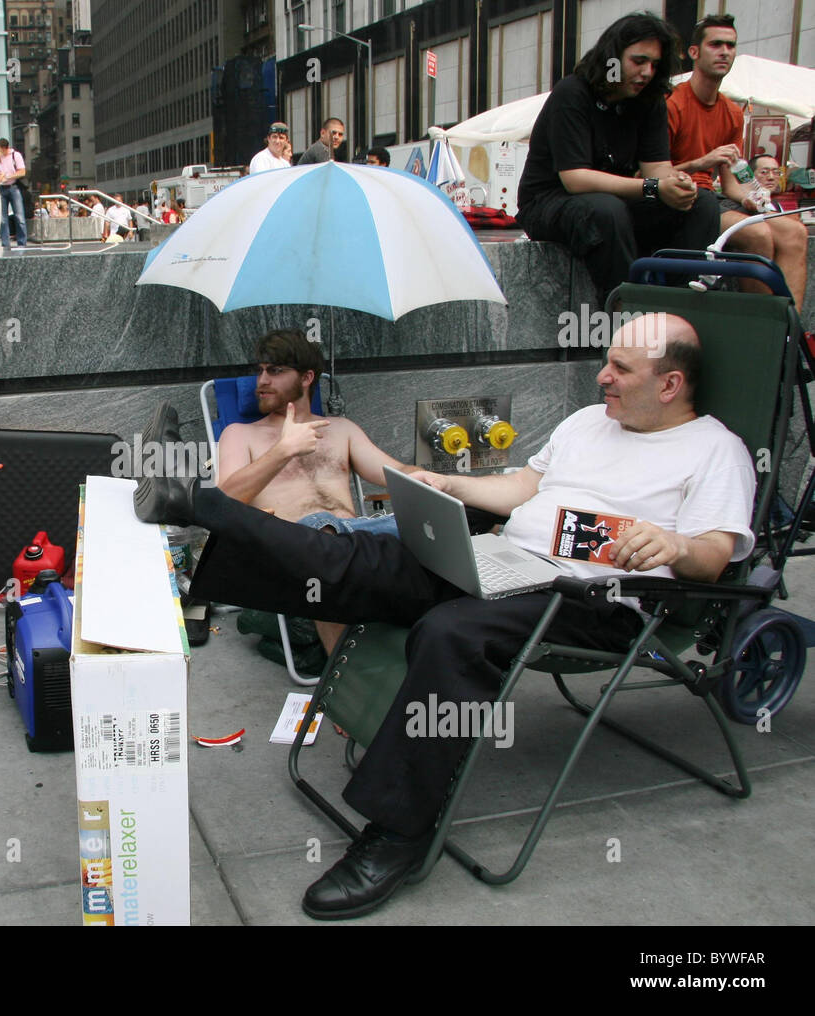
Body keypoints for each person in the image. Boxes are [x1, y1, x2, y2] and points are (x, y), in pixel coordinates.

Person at [134, 313, 755, 919]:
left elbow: (714, 557)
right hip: (506, 555)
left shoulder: (714, 451)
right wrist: (448, 486)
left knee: (450, 630)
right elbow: (520, 490)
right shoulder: (591, 421)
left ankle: (398, 835)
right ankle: (199, 508)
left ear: (670, 384)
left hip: (596, 599)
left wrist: (675, 547)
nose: (602, 377)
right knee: (351, 556)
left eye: (619, 368)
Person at [216, 329, 413, 650]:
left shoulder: (342, 429)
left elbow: (395, 473)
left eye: (275, 371)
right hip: (293, 552)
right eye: (260, 370)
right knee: (320, 536)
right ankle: (348, 676)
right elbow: (223, 504)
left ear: (307, 377)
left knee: (444, 529)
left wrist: (427, 480)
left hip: (358, 541)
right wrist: (283, 450)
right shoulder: (240, 434)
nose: (261, 380)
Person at [515, 13, 718, 301]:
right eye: (638, 61)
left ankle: (681, 303)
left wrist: (676, 184)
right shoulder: (573, 93)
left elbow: (657, 168)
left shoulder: (650, 100)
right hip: (549, 202)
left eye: (655, 64)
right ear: (612, 58)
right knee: (607, 211)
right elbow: (575, 179)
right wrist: (652, 187)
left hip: (614, 203)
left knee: (703, 202)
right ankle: (625, 313)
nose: (647, 72)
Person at [666, 15, 806, 311]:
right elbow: (649, 175)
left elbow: (730, 185)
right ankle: (760, 327)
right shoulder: (673, 103)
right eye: (715, 44)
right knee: (757, 233)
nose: (725, 52)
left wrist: (752, 199)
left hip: (715, 200)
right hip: (681, 202)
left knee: (795, 231)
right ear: (694, 52)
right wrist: (702, 161)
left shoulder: (731, 111)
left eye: (730, 45)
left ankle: (787, 333)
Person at [0, 138, 27, 249]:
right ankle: (5, 243)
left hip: (13, 187)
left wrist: (8, 176)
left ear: (5, 148)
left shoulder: (15, 155)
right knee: (3, 219)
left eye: (1, 150)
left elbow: (22, 171)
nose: (0, 152)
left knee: (19, 216)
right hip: (2, 188)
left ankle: (22, 243)